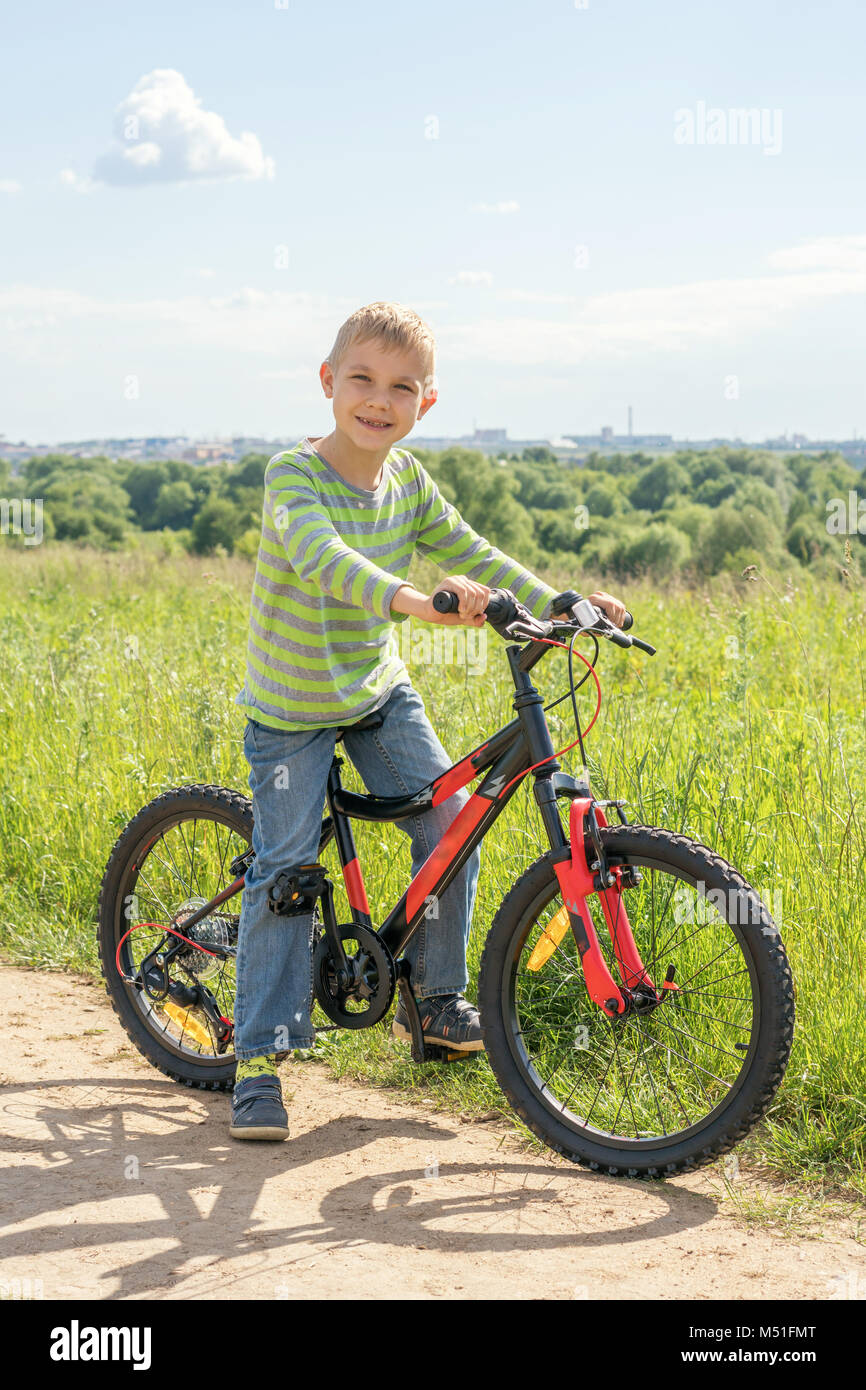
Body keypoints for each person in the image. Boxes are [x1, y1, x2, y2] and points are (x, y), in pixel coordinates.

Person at [230, 300, 627, 1139]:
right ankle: (257, 1062)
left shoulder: (408, 481)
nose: (380, 400)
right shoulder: (292, 478)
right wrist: (415, 600)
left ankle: (435, 1001)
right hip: (290, 710)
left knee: (451, 822)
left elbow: (472, 549)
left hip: (375, 695)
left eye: (401, 388)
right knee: (289, 872)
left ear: (426, 403)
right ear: (329, 382)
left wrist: (562, 602)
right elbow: (326, 562)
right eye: (363, 381)